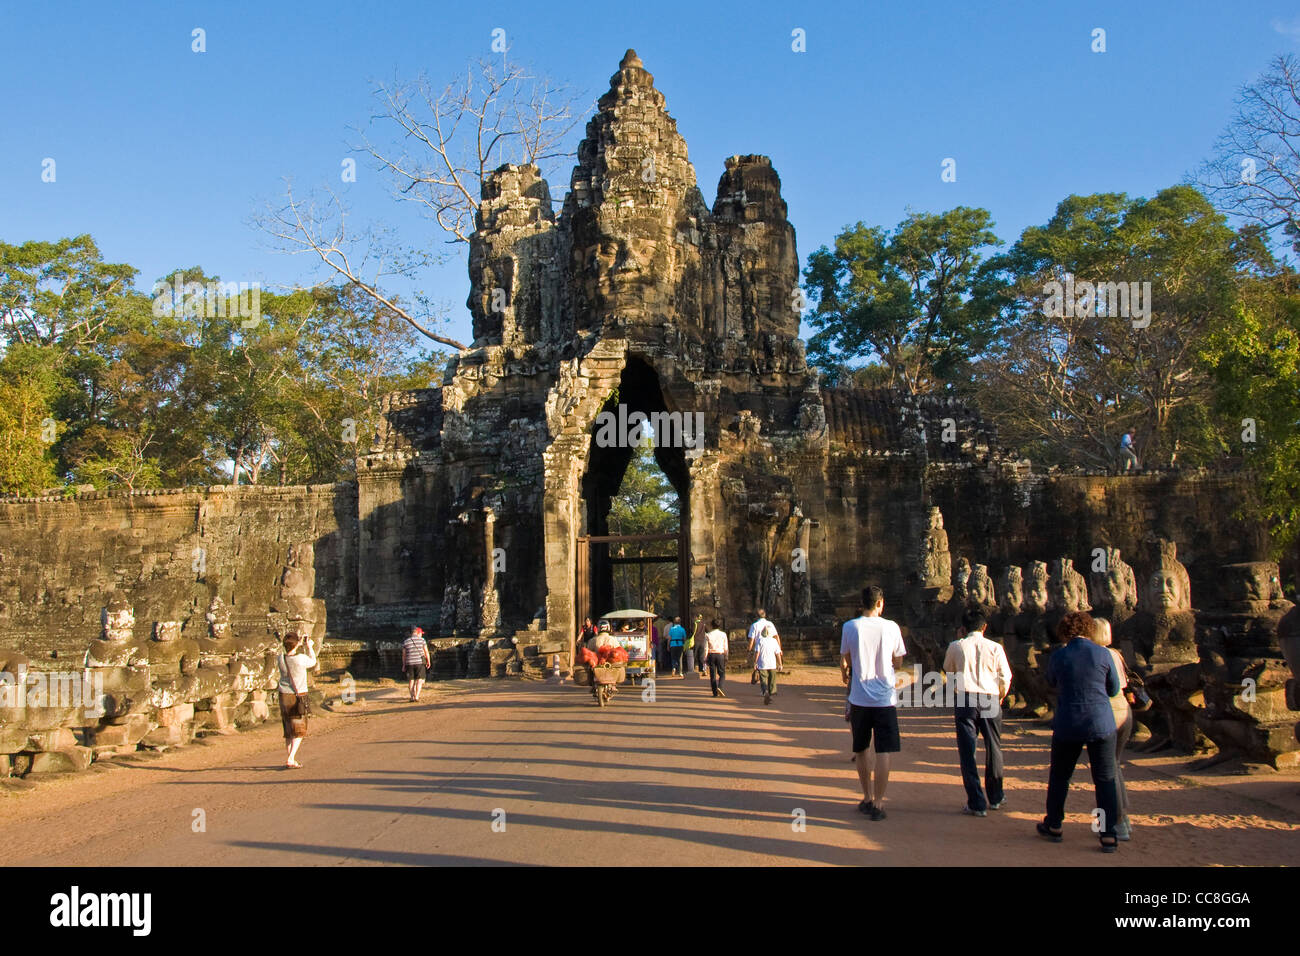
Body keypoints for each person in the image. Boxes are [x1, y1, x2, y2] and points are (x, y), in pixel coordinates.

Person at [1039, 610, 1122, 853]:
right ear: (1090, 631)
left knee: (1060, 777)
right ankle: (1107, 833)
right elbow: (1114, 688)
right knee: (1105, 779)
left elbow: (1051, 682)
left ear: (1064, 632)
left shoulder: (1060, 655)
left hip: (1069, 722)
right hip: (1100, 722)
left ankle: (1054, 824)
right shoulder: (1103, 653)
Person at [840, 586, 906, 821]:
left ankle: (867, 796)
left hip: (859, 698)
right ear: (880, 603)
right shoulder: (891, 627)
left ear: (862, 603)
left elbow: (847, 659)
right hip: (884, 698)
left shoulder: (850, 626)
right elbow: (898, 662)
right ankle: (878, 803)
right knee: (884, 751)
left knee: (861, 748)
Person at [942, 608, 1012, 816]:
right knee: (994, 747)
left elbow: (949, 670)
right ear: (984, 627)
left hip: (966, 698)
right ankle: (996, 796)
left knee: (967, 751)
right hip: (990, 697)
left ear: (962, 628)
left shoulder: (956, 646)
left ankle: (976, 801)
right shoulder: (995, 647)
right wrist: (1000, 695)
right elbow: (1005, 676)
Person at [1091, 616, 1133, 841]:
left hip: (1108, 714)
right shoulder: (1116, 654)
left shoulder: (1097, 656)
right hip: (1124, 711)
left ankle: (1116, 822)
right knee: (1114, 767)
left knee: (1107, 771)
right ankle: (1123, 817)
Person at [277, 627, 319, 769]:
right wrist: (309, 646)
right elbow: (313, 661)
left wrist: (297, 644)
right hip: (297, 696)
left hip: (283, 695)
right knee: (299, 729)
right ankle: (291, 758)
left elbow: (289, 653)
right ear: (295, 644)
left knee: (288, 729)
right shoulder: (300, 659)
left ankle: (291, 758)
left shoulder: (280, 658)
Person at [747, 609, 778, 695]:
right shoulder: (770, 624)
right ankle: (772, 690)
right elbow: (776, 636)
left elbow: (752, 640)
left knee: (762, 671)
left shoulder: (755, 625)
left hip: (760, 649)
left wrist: (749, 650)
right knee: (772, 672)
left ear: (757, 616)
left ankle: (764, 690)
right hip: (771, 649)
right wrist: (779, 649)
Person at [752, 621, 782, 705]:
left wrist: (755, 662)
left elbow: (757, 653)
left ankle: (765, 691)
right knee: (772, 680)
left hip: (762, 663)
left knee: (763, 679)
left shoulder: (760, 640)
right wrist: (780, 664)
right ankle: (771, 694)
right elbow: (778, 653)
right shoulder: (774, 641)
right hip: (772, 664)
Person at [401, 625, 431, 702]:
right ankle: (416, 696)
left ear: (410, 633)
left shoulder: (406, 642)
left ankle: (411, 697)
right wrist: (428, 661)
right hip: (419, 662)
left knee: (411, 680)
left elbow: (404, 655)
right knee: (419, 680)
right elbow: (426, 652)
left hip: (409, 662)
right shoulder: (422, 640)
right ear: (417, 632)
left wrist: (404, 665)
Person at [704, 618, 729, 697]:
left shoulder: (707, 635)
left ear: (711, 625)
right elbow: (726, 647)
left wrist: (705, 657)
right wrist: (726, 655)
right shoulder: (723, 634)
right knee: (722, 673)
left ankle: (715, 693)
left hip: (711, 655)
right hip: (720, 654)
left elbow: (706, 647)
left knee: (712, 674)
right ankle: (720, 687)